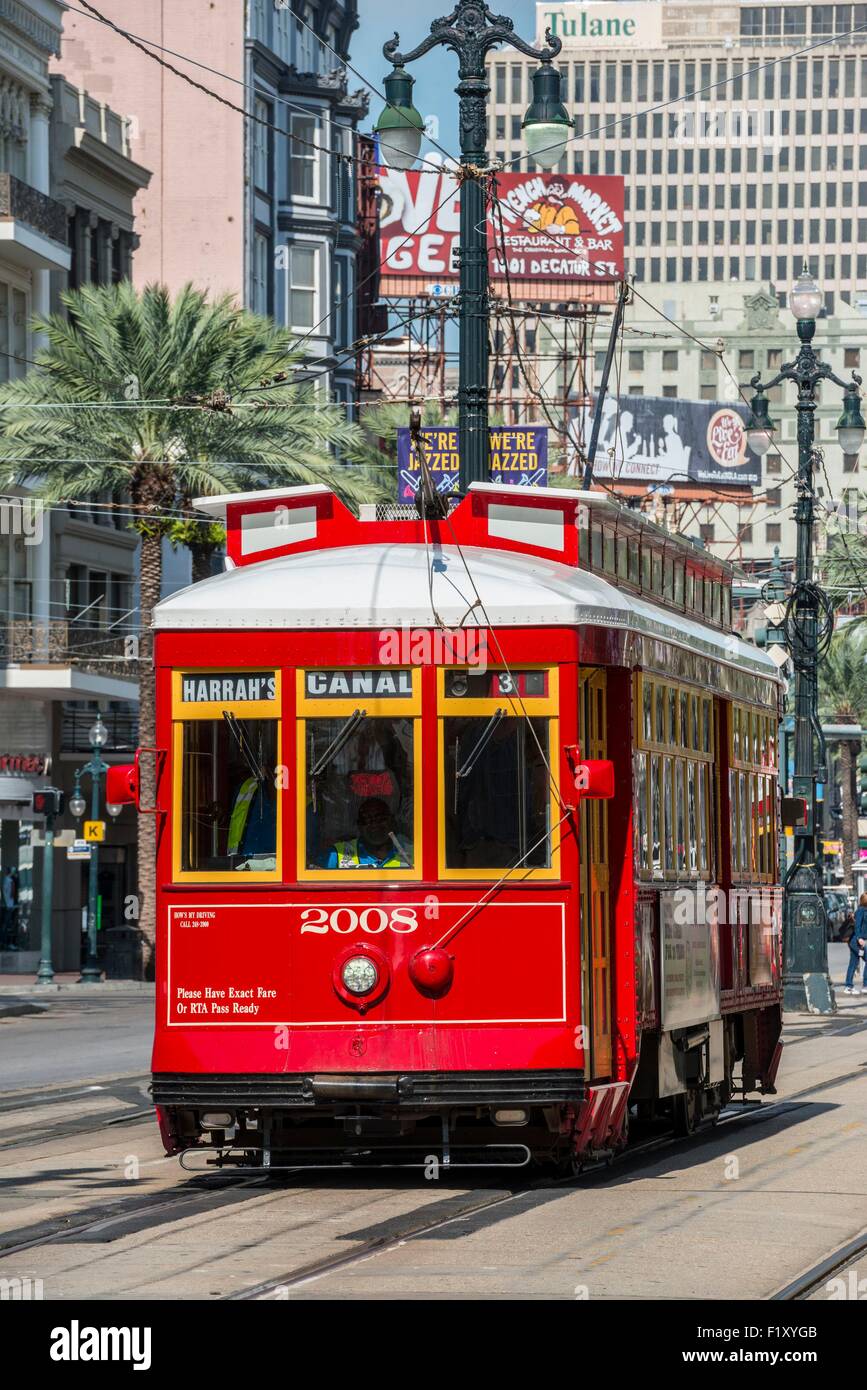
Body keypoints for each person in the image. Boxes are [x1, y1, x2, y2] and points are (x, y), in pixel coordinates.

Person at [322, 798, 411, 869]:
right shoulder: (337, 854)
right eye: (366, 820)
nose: (374, 824)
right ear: (359, 826)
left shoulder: (413, 854)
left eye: (380, 818)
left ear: (391, 821)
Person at [844, 892, 867, 994]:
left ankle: (848, 986)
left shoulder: (863, 910)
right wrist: (859, 938)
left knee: (853, 963)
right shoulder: (861, 910)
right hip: (855, 941)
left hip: (856, 941)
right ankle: (865, 985)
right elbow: (857, 926)